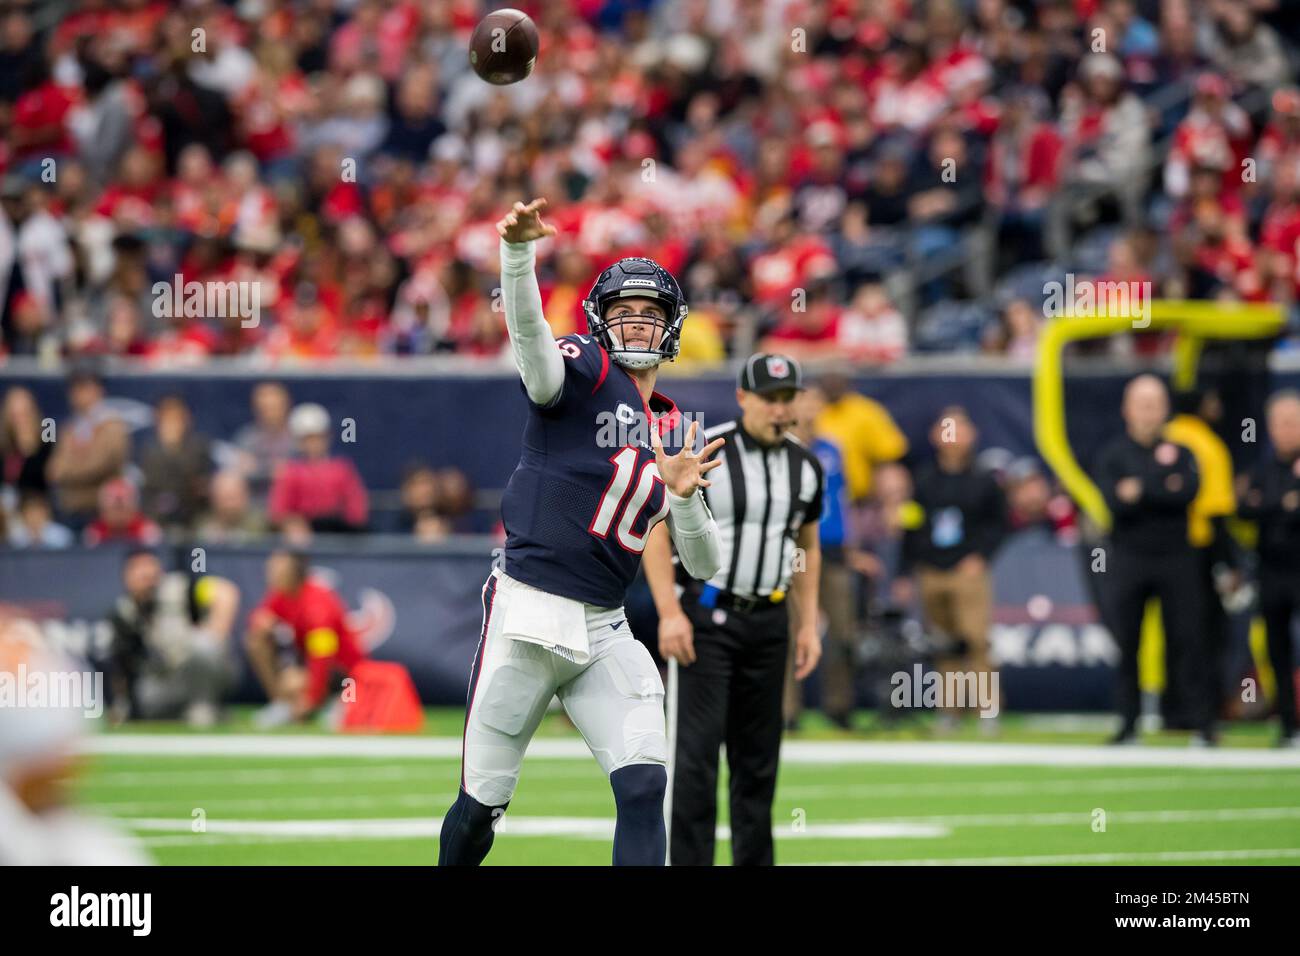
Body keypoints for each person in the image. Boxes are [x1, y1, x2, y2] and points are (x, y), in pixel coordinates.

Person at [439, 198, 723, 868]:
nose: (636, 323)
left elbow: (706, 563)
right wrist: (517, 256)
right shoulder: (589, 371)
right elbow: (533, 352)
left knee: (645, 783)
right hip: (527, 613)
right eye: (623, 311)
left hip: (604, 627)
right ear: (599, 320)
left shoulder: (673, 429)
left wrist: (682, 497)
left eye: (650, 314)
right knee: (481, 807)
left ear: (672, 329)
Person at [645, 352, 824, 866]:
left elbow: (806, 545)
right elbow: (658, 527)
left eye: (788, 397)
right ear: (744, 398)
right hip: (706, 616)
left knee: (759, 762)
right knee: (695, 762)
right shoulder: (707, 452)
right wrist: (669, 611)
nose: (779, 409)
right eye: (769, 398)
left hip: (769, 620)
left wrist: (806, 623)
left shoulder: (807, 467)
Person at [1094, 374, 1210, 745]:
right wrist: (1161, 485)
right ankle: (1128, 724)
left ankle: (1198, 723)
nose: (1148, 412)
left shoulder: (1185, 451)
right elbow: (1114, 503)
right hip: (1129, 557)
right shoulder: (1112, 454)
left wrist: (1141, 489)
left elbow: (1188, 493)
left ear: (1166, 408)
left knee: (1188, 640)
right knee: (1128, 643)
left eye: (1155, 403)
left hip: (1177, 558)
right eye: (1142, 404)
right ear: (1127, 409)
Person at [892, 406, 1008, 732]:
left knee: (975, 640)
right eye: (947, 430)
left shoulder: (984, 480)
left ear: (972, 435)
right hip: (931, 569)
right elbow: (911, 526)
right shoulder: (925, 479)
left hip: (967, 570)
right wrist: (905, 570)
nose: (953, 437)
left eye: (959, 429)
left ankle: (988, 709)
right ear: (935, 435)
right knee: (943, 644)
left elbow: (999, 524)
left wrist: (981, 556)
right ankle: (950, 710)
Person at [1163, 387, 1238, 731]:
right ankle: (1202, 709)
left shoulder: (1162, 437)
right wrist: (1228, 564)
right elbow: (1216, 510)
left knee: (1169, 633)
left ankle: (1171, 709)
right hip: (1198, 548)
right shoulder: (1207, 445)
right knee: (1204, 633)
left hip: (1155, 548)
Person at [107, 547, 240, 727]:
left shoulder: (181, 588)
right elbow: (120, 666)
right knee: (143, 700)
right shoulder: (123, 614)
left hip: (198, 668)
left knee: (203, 645)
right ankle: (188, 712)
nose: (145, 575)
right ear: (126, 577)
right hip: (164, 680)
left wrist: (215, 634)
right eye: (137, 570)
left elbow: (226, 592)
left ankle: (204, 706)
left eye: (149, 567)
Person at [1237, 389, 1300, 747]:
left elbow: (1261, 506)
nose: (1286, 429)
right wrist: (1285, 504)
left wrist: (1271, 506)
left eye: (1292, 422)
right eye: (1280, 423)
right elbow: (1245, 508)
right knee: (1275, 648)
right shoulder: (1263, 468)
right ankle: (1288, 723)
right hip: (1272, 571)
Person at [244, 549, 367, 727]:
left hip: (344, 672)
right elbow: (258, 619)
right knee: (256, 641)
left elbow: (323, 656)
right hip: (310, 664)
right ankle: (283, 706)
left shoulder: (317, 603)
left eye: (277, 568)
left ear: (294, 572)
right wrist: (262, 624)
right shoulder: (282, 595)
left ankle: (337, 702)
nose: (270, 573)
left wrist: (311, 699)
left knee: (292, 683)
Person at [267, 402, 369, 539]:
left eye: (318, 437)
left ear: (327, 437)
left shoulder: (342, 468)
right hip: (303, 539)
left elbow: (356, 508)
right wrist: (292, 524)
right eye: (307, 439)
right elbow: (278, 511)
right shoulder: (289, 472)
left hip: (339, 535)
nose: (313, 443)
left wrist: (347, 527)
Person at [45, 366, 129, 532]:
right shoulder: (69, 427)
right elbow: (53, 469)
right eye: (75, 388)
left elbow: (101, 465)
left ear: (99, 390)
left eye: (84, 387)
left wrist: (68, 471)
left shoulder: (112, 424)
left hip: (99, 513)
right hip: (68, 511)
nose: (78, 394)